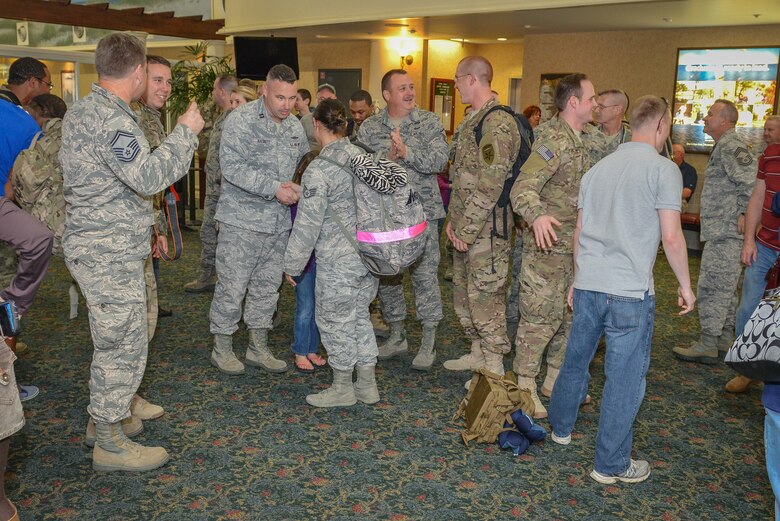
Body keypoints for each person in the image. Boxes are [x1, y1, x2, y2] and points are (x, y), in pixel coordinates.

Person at [60, 32, 204, 472]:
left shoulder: (87, 109)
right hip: (107, 252)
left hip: (107, 245)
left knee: (116, 337)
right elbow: (148, 176)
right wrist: (186, 134)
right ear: (138, 71)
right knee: (120, 343)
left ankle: (103, 419)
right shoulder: (114, 121)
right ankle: (108, 441)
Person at [548, 95, 695, 485]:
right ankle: (611, 465)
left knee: (575, 360)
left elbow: (579, 231)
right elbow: (671, 237)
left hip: (589, 284)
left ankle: (560, 429)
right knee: (624, 377)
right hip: (629, 291)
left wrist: (577, 280)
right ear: (662, 127)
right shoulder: (664, 170)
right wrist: (685, 285)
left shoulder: (598, 168)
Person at [508, 73, 608, 418]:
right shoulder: (552, 139)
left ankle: (554, 379)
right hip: (549, 249)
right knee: (539, 319)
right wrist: (536, 216)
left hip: (579, 249)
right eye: (592, 98)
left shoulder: (587, 139)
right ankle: (524, 385)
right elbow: (521, 190)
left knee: (570, 317)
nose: (596, 104)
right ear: (574, 102)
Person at [208, 64, 307, 376]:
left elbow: (304, 165)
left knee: (267, 289)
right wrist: (273, 189)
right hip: (241, 223)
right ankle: (221, 347)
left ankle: (257, 346)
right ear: (265, 90)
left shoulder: (294, 127)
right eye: (280, 97)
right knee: (232, 288)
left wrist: (299, 187)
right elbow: (232, 167)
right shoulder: (241, 120)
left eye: (292, 98)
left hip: (279, 225)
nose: (286, 105)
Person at [284, 98, 380, 407]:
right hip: (370, 257)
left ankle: (342, 388)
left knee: (336, 321)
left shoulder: (320, 169)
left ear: (316, 124)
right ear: (346, 125)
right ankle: (367, 385)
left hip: (339, 263)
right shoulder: (364, 158)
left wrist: (292, 265)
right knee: (360, 319)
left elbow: (307, 226)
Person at [358, 69, 448, 371]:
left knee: (425, 277)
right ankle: (397, 335)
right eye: (402, 88)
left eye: (411, 87)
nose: (409, 92)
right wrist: (390, 159)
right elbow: (362, 168)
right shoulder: (370, 128)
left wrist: (407, 152)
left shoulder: (429, 122)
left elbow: (439, 161)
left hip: (422, 214)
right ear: (387, 95)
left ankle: (428, 340)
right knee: (388, 277)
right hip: (386, 218)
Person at [444, 56, 520, 384]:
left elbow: (491, 183)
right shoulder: (473, 120)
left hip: (486, 232)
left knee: (486, 298)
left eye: (459, 79)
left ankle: (493, 369)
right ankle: (477, 353)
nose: (457, 85)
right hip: (466, 227)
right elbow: (462, 177)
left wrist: (466, 229)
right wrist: (454, 223)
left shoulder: (496, 123)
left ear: (473, 79)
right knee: (465, 296)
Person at [673, 99, 756, 364]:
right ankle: (721, 339)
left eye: (710, 114)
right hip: (722, 229)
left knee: (712, 286)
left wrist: (744, 213)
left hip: (727, 231)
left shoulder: (732, 146)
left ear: (725, 120)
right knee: (726, 288)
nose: (705, 118)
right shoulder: (724, 145)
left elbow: (752, 182)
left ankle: (707, 342)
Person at [724, 115, 780, 394]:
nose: (767, 134)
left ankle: (773, 377)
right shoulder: (769, 156)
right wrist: (749, 241)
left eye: (772, 129)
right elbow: (757, 197)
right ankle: (747, 369)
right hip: (765, 245)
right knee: (748, 308)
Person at [131, 55, 175, 333]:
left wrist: (158, 230)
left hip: (147, 220)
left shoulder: (151, 117)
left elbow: (154, 186)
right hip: (130, 227)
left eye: (168, 81)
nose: (165, 87)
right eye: (157, 80)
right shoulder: (132, 118)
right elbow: (143, 180)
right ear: (139, 78)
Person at [184, 74, 237, 293]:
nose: (213, 92)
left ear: (223, 91)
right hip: (214, 187)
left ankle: (214, 277)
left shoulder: (234, 120)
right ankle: (210, 275)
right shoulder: (222, 116)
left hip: (224, 190)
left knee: (212, 234)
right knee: (208, 233)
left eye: (215, 89)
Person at [285, 151, 326, 373]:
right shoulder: (295, 203)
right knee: (305, 307)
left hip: (323, 261)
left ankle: (311, 349)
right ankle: (300, 350)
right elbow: (296, 235)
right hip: (304, 264)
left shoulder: (325, 200)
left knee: (318, 308)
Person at [301, 84, 337, 151]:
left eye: (329, 99)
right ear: (316, 100)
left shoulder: (340, 120)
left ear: (336, 100)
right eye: (321, 99)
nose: (326, 102)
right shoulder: (305, 121)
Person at [672, 143, 697, 210]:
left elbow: (687, 193)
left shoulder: (690, 170)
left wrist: (669, 198)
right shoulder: (666, 167)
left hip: (680, 201)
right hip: (664, 199)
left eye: (673, 152)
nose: (670, 155)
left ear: (680, 154)